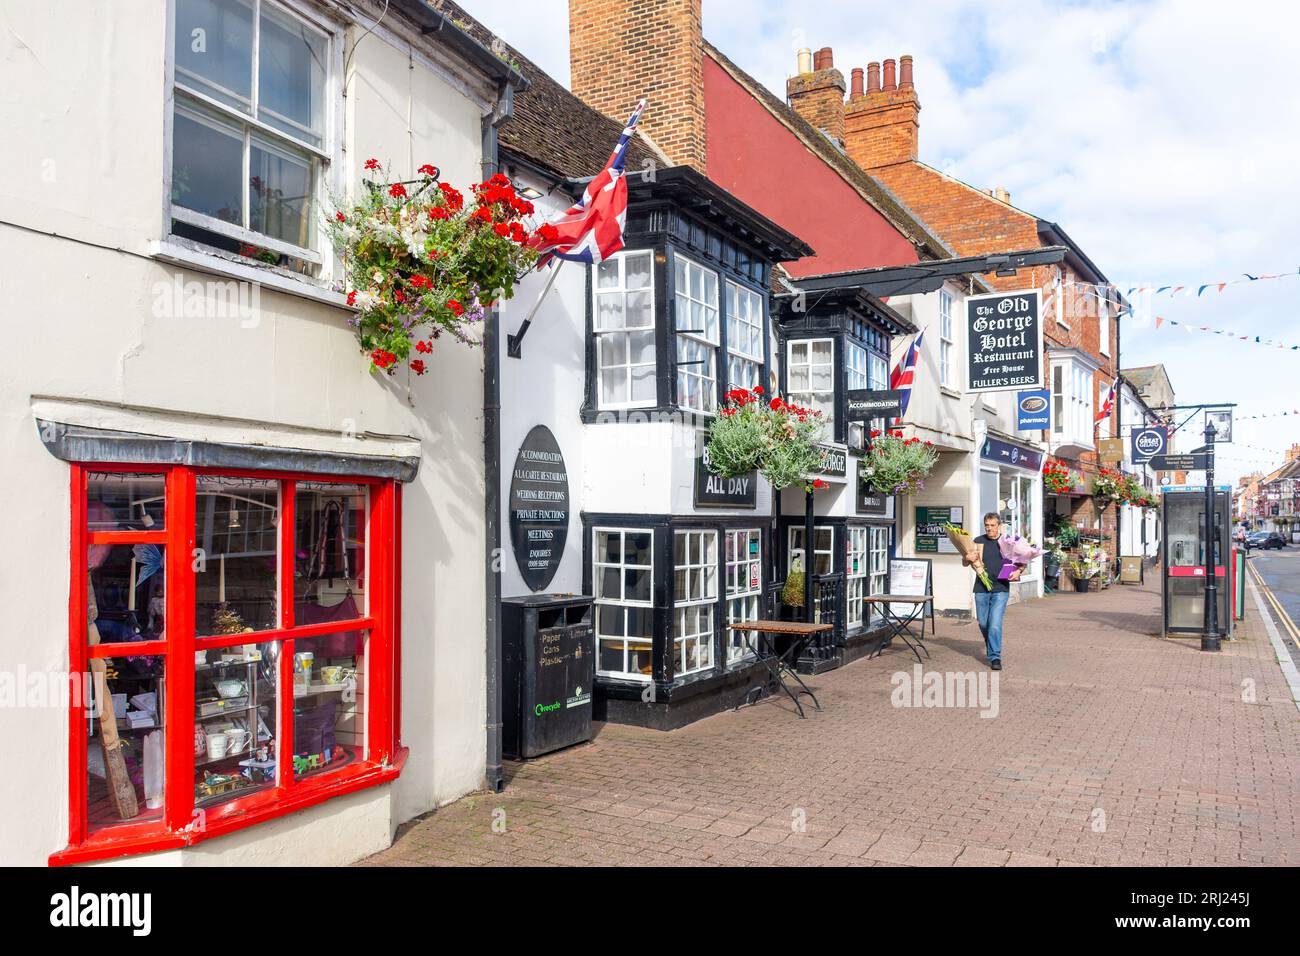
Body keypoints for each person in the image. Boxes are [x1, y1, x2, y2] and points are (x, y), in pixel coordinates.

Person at [963, 512, 1020, 670]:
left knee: (994, 624)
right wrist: (967, 558)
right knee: (983, 622)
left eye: (992, 525)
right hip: (981, 587)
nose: (989, 529)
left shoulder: (1007, 542)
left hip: (1001, 588)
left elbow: (1021, 561)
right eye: (986, 526)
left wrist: (1019, 571)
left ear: (999, 526)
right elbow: (965, 563)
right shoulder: (978, 541)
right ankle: (991, 645)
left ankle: (995, 657)